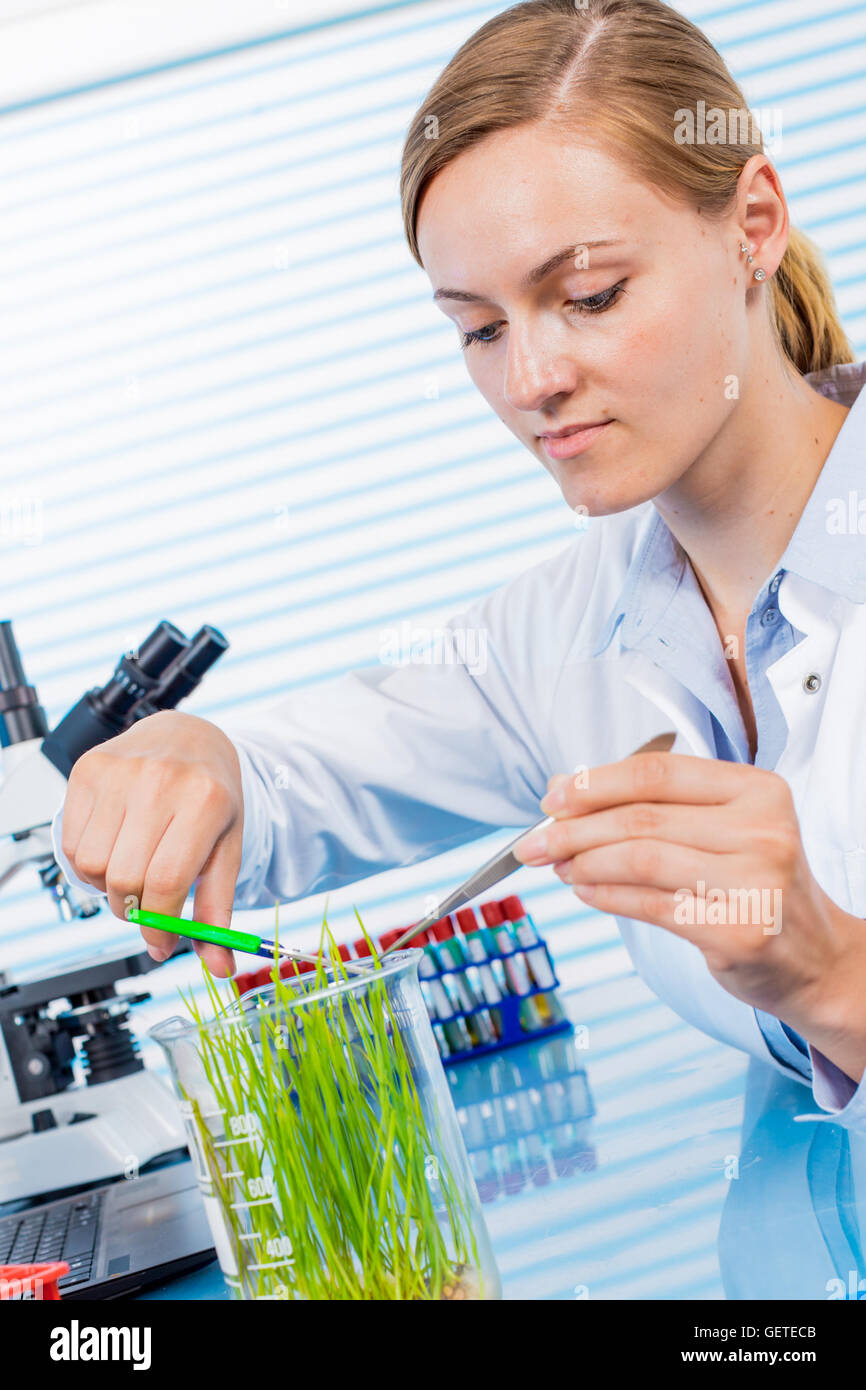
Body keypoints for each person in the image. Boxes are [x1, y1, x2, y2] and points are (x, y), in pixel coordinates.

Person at [53, 0, 866, 1131]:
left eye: (588, 297)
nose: (529, 378)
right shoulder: (565, 632)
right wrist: (202, 758)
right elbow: (300, 778)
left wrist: (834, 975)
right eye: (478, 328)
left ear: (753, 222)